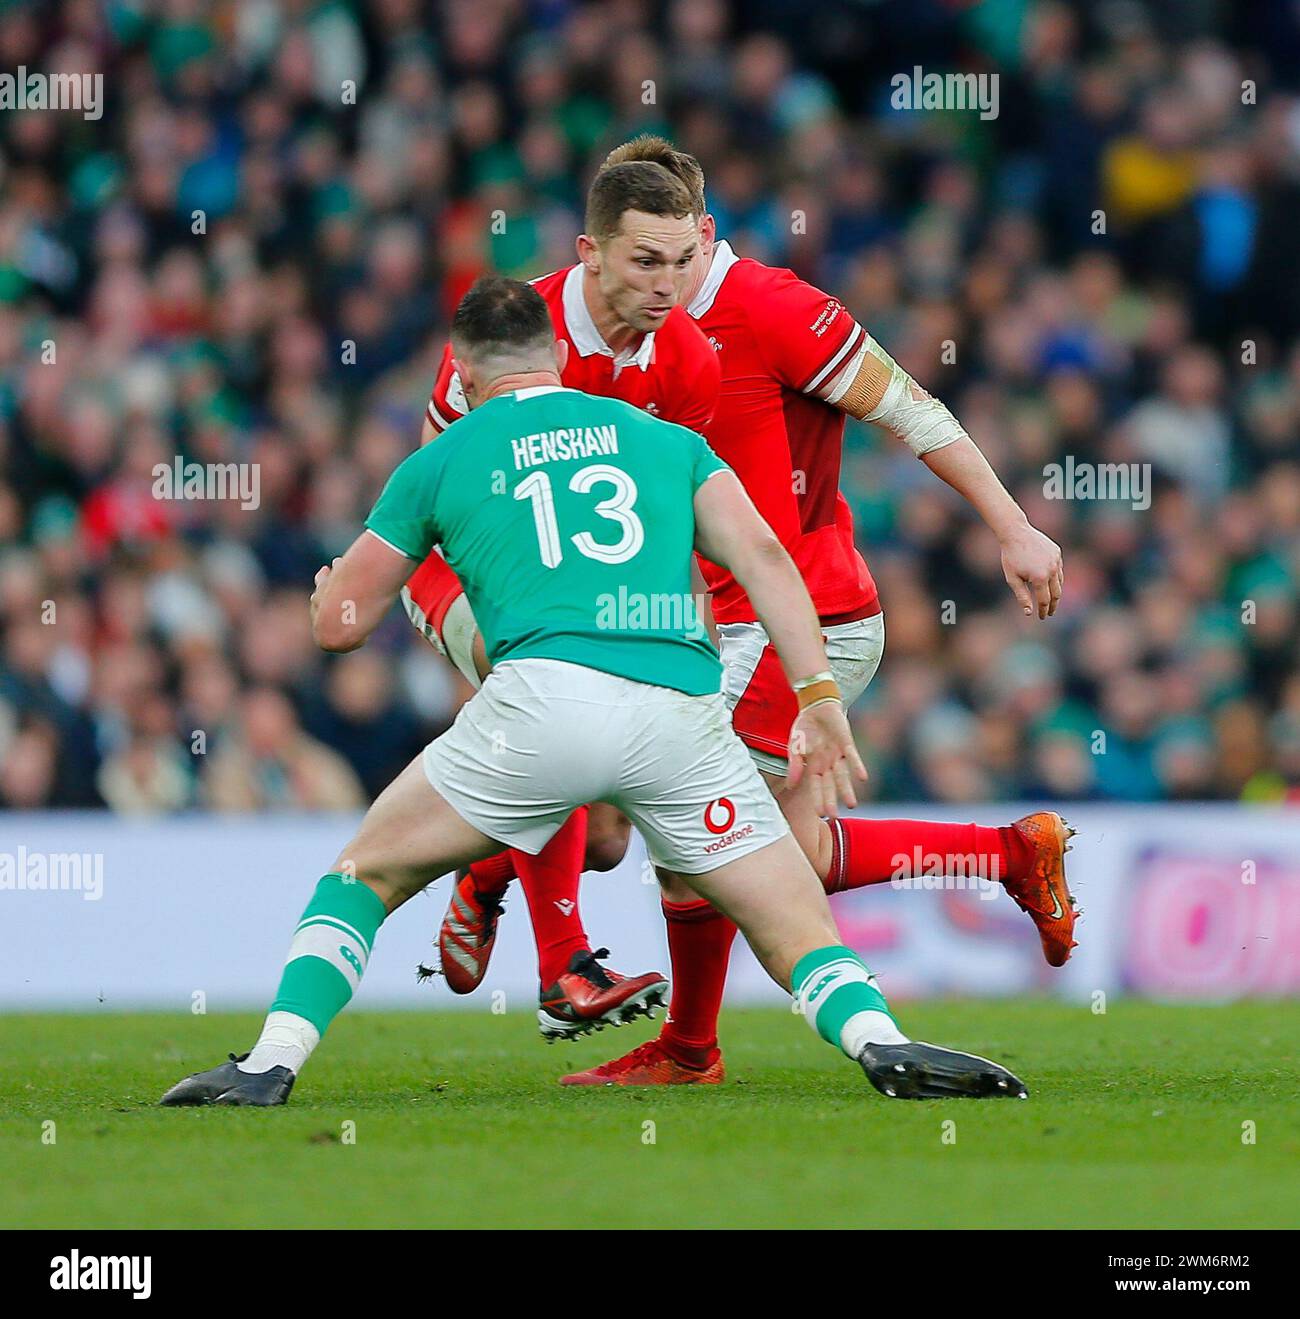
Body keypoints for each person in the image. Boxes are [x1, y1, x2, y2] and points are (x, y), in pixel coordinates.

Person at [160, 276, 1027, 1106]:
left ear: (464, 372)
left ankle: (272, 1061)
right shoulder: (663, 440)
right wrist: (819, 697)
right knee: (795, 925)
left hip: (539, 706)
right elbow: (765, 560)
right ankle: (881, 1040)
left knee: (363, 875)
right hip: (681, 709)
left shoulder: (442, 455)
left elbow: (343, 624)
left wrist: (326, 597)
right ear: (557, 359)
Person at [407, 159, 720, 1035]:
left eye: (684, 262)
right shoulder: (510, 337)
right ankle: (565, 967)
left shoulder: (691, 365)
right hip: (469, 579)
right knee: (553, 695)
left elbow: (671, 522)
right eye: (647, 263)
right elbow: (442, 500)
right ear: (591, 255)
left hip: (602, 606)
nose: (670, 286)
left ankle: (480, 879)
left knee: (612, 838)